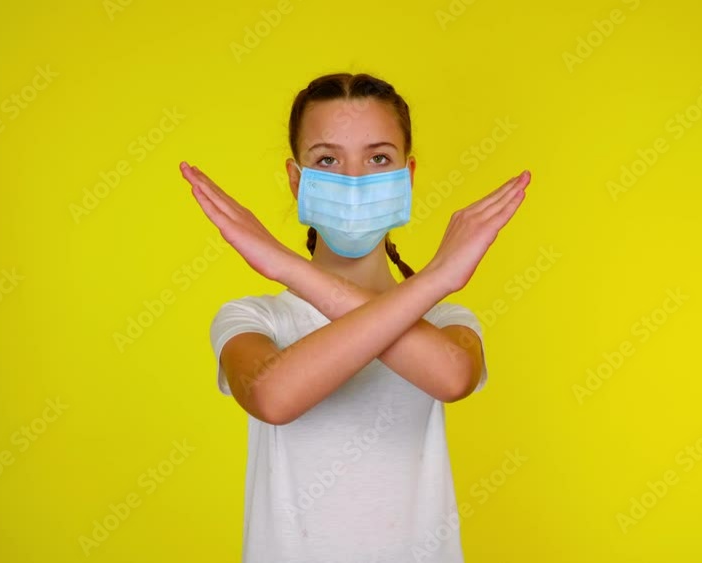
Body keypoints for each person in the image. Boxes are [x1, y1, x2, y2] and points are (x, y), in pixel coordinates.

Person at [179, 72, 530, 563]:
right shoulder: (255, 318)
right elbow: (273, 397)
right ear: (298, 180)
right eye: (327, 159)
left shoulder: (445, 315)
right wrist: (434, 275)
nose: (353, 179)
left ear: (406, 177)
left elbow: (452, 376)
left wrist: (289, 265)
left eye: (378, 158)